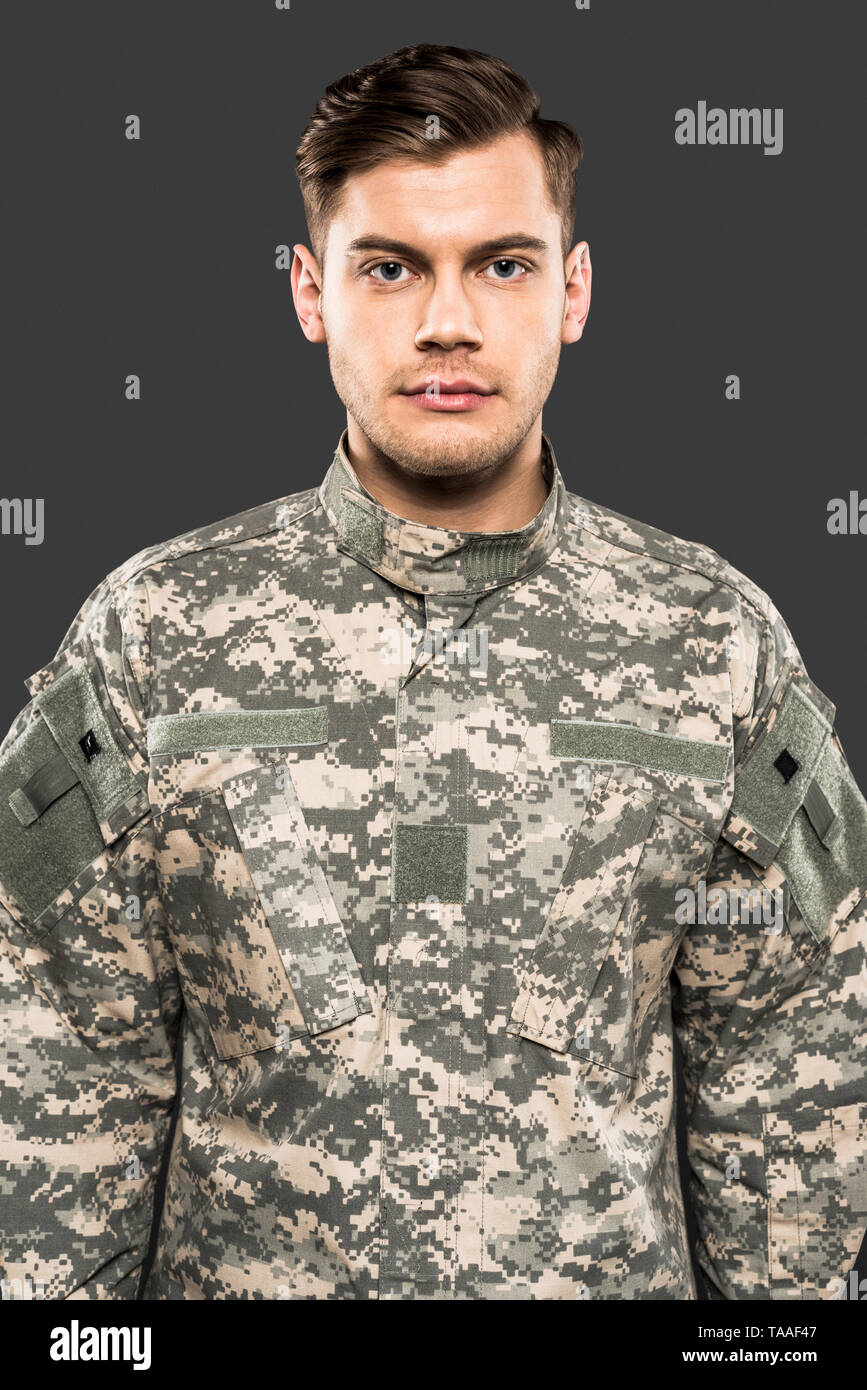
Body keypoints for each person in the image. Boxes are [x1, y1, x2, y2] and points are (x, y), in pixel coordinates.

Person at [0, 42, 864, 1302]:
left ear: (573, 290)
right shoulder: (154, 636)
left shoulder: (713, 642)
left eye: (501, 264)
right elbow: (49, 1075)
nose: (447, 319)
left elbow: (796, 1078)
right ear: (309, 291)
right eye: (391, 266)